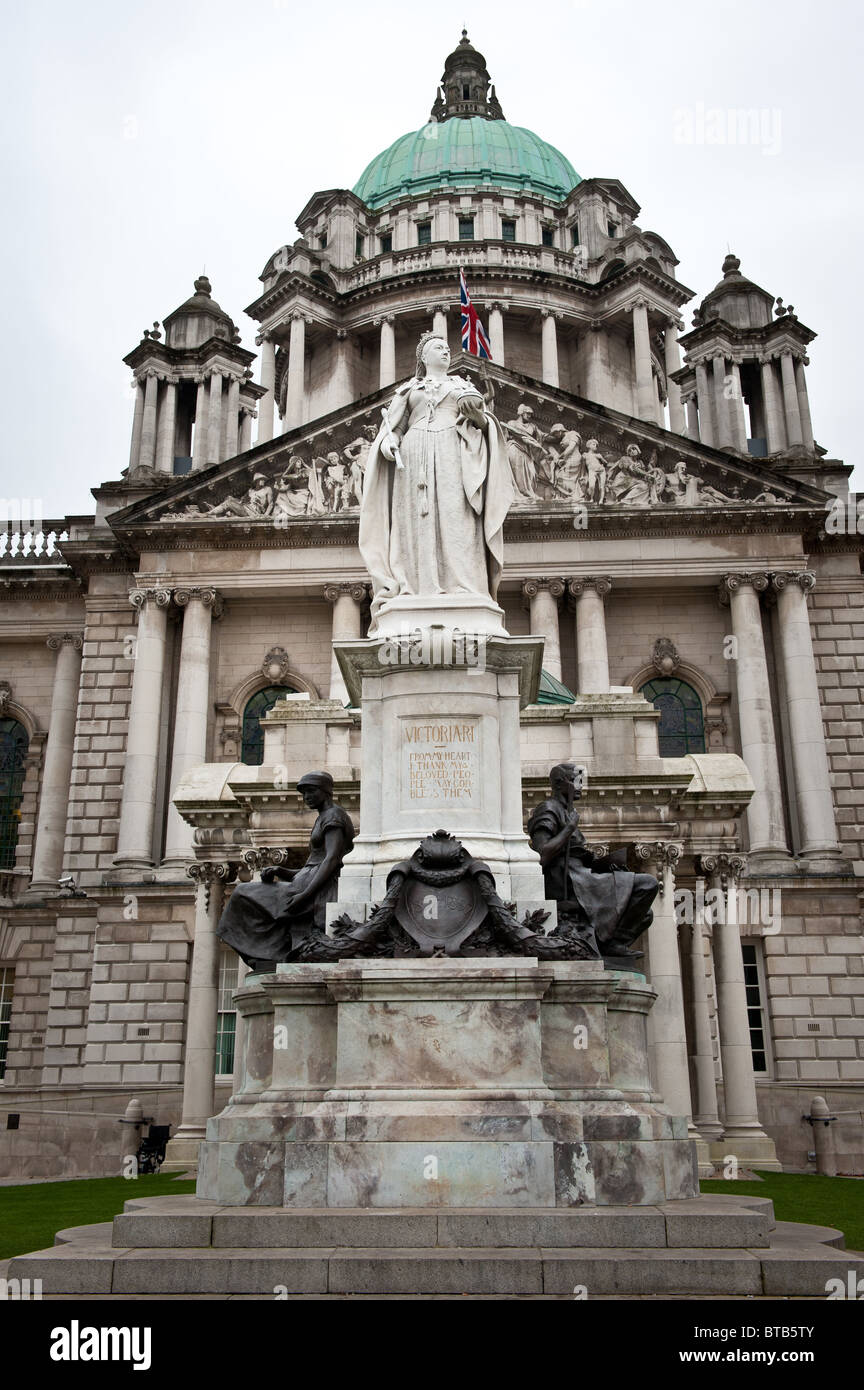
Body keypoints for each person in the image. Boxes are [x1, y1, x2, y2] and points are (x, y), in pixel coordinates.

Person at [359, 332, 513, 629]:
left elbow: (482, 421)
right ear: (423, 358)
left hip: (452, 454)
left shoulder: (462, 385)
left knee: (457, 516)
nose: (445, 351)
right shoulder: (408, 389)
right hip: (414, 455)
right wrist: (389, 443)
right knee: (415, 521)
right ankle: (415, 585)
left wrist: (479, 418)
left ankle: (463, 585)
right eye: (438, 348)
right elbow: (393, 426)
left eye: (446, 348)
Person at [216, 771, 355, 969]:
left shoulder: (334, 816)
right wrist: (281, 870)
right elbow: (312, 865)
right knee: (247, 896)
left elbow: (332, 860)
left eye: (311, 791)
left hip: (316, 891)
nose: (306, 796)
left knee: (241, 894)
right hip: (305, 883)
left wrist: (306, 895)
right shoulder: (325, 816)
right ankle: (270, 953)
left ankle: (268, 952)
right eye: (303, 792)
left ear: (326, 791)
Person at [527, 763, 658, 962]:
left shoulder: (567, 810)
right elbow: (541, 855)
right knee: (647, 884)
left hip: (582, 876)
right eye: (574, 781)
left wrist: (605, 864)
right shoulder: (548, 809)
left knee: (645, 914)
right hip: (568, 881)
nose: (579, 786)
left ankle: (610, 943)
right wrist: (569, 829)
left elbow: (577, 854)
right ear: (560, 783)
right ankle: (610, 942)